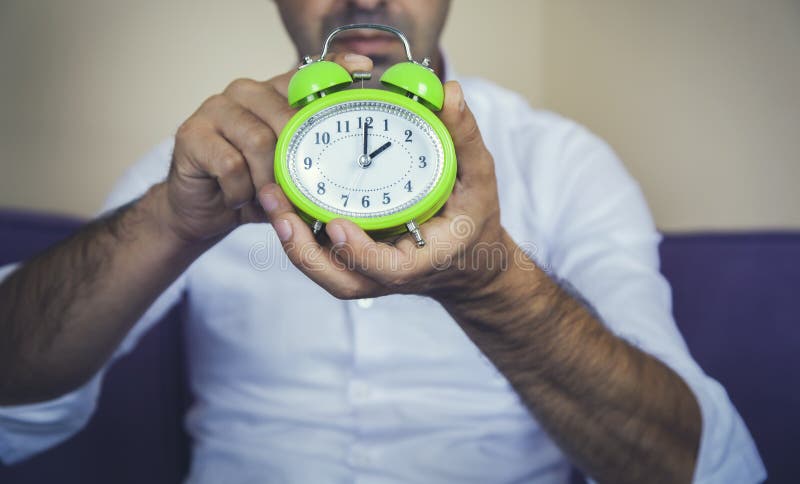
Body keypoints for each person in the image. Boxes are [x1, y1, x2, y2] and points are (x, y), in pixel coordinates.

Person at [0, 1, 765, 482]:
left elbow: (701, 469)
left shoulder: (563, 161)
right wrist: (168, 220)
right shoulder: (203, 160)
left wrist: (490, 283)